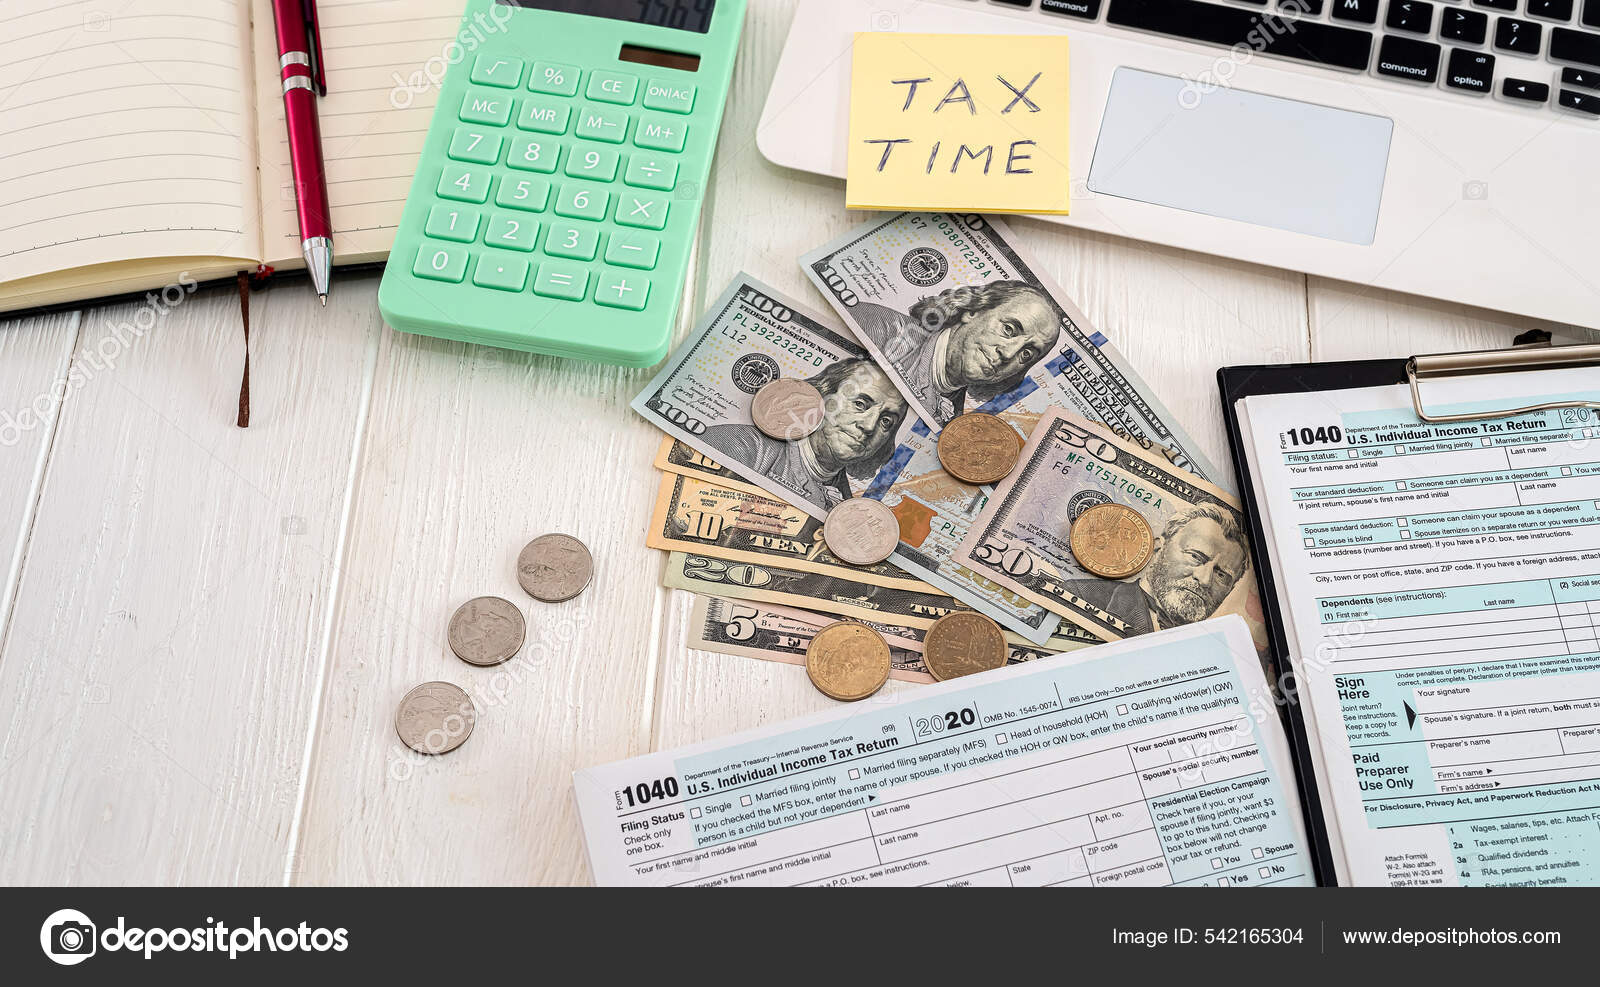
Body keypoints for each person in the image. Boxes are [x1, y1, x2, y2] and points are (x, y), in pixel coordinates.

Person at [701, 358, 909, 509]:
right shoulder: (741, 446)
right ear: (823, 398)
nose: (870, 426)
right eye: (860, 404)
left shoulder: (846, 503)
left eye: (886, 421)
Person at [850, 281, 1058, 424]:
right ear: (973, 310)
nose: (1008, 354)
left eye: (1027, 354)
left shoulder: (952, 423)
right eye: (1009, 329)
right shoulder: (876, 327)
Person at [1060, 504, 1249, 636]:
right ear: (1159, 548)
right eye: (1195, 556)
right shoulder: (1079, 595)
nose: (1205, 579)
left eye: (1221, 575)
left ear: (1230, 589)